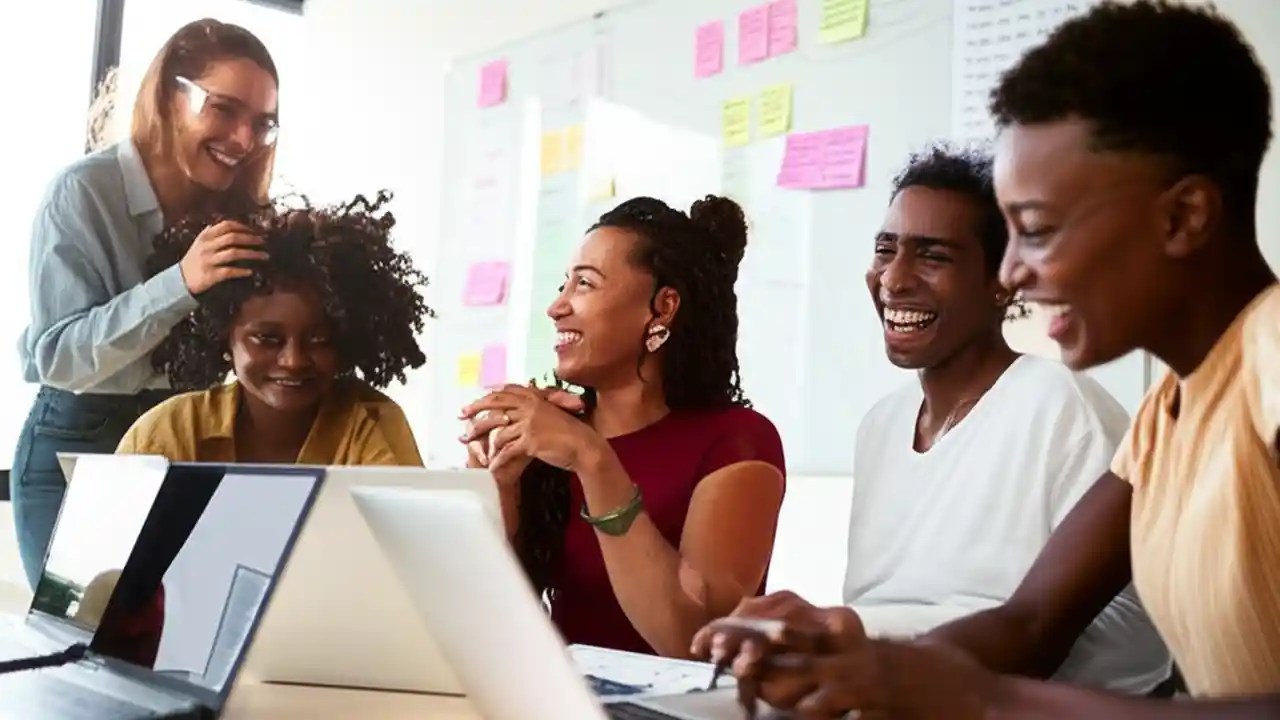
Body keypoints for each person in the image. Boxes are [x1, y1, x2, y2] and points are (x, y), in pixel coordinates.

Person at [693, 1, 1280, 716]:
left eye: (1036, 231)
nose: (1017, 274)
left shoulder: (1273, 358)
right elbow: (1029, 620)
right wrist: (859, 660)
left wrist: (979, 696)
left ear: (1183, 217)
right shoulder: (1171, 413)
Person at [844, 145, 1169, 691]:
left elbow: (1048, 632)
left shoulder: (1058, 405)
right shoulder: (880, 426)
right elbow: (883, 602)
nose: (893, 279)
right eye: (885, 249)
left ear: (1003, 281)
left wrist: (847, 637)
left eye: (933, 256)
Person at [12, 18, 281, 587]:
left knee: (175, 647)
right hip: (78, 452)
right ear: (168, 96)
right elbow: (58, 357)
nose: (242, 140)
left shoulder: (240, 213)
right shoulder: (82, 193)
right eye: (223, 108)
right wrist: (181, 283)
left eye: (261, 124)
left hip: (181, 445)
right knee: (89, 643)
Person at [459, 196, 786, 658]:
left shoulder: (738, 439)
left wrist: (592, 460)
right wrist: (499, 492)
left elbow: (692, 642)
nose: (556, 307)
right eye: (563, 285)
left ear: (662, 307)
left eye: (585, 285)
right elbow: (488, 633)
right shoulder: (553, 439)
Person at [117, 193, 429, 465]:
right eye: (267, 339)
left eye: (319, 339)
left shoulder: (373, 425)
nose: (293, 360)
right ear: (222, 335)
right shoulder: (165, 435)